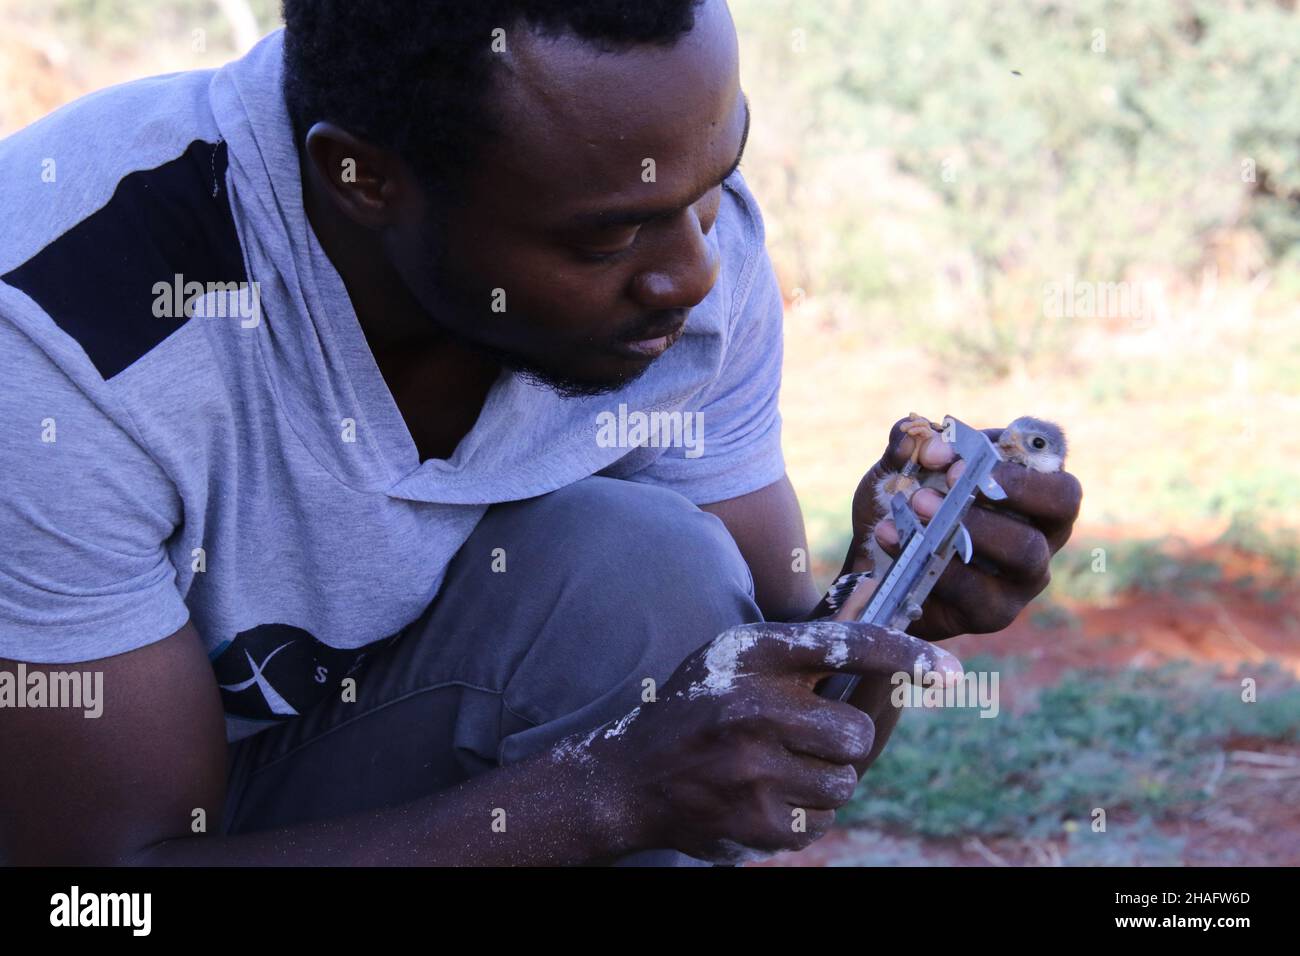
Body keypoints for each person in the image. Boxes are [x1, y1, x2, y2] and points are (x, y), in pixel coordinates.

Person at [0, 0, 1081, 865]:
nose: (696, 276)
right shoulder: (58, 341)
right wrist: (606, 794)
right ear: (363, 179)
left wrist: (885, 606)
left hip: (337, 785)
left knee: (644, 572)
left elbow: (758, 757)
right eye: (611, 231)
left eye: (709, 191)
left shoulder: (675, 253)